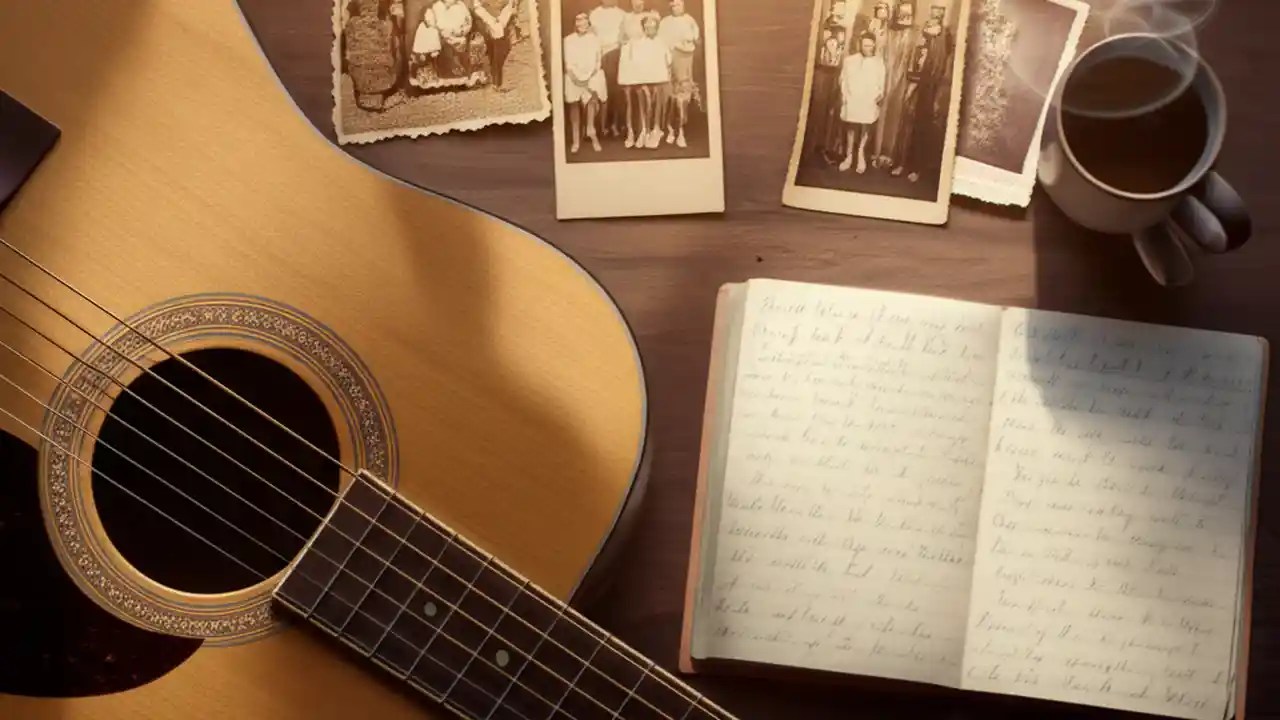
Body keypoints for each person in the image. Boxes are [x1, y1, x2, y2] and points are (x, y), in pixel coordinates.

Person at [891, 4, 952, 182]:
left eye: (941, 10)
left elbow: (942, 65)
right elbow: (912, 57)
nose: (937, 12)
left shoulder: (945, 35)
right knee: (905, 125)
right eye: (934, 9)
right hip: (912, 82)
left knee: (922, 127)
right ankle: (901, 162)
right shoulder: (920, 31)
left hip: (930, 88)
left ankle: (916, 168)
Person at [343, 0, 405, 111]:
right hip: (377, 73)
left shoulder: (352, 23)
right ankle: (383, 92)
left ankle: (371, 93)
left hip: (363, 77)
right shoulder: (383, 24)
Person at [838, 32, 886, 174]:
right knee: (851, 126)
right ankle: (849, 156)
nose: (867, 48)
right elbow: (843, 80)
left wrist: (878, 95)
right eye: (865, 45)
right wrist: (845, 96)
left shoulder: (879, 62)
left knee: (866, 126)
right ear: (860, 44)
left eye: (870, 45)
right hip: (853, 98)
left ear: (874, 45)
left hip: (868, 99)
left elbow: (881, 83)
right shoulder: (850, 60)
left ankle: (860, 155)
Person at [617, 0, 660, 148]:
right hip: (628, 59)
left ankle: (645, 131)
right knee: (629, 98)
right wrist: (629, 45)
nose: (638, 3)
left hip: (644, 60)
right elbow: (621, 38)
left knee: (645, 97)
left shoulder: (651, 16)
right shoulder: (626, 17)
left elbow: (655, 39)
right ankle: (630, 132)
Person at [658, 0, 700, 148]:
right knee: (670, 97)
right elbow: (661, 44)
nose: (676, 7)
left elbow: (694, 39)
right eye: (673, 5)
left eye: (679, 4)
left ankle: (680, 131)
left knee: (682, 98)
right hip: (669, 64)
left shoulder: (689, 20)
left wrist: (683, 45)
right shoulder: (664, 22)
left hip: (684, 63)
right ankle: (670, 129)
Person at [564, 12, 608, 153]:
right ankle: (576, 139)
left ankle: (591, 130)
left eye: (584, 20)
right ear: (574, 23)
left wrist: (588, 78)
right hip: (574, 77)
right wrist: (576, 79)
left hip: (590, 76)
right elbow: (568, 64)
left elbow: (597, 63)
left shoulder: (595, 39)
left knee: (594, 91)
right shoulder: (568, 40)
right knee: (574, 105)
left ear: (588, 23)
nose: (581, 23)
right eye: (578, 20)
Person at [589, 0, 628, 137]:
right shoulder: (595, 14)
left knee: (615, 91)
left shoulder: (622, 14)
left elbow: (625, 36)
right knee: (599, 91)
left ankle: (615, 124)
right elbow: (591, 35)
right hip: (599, 55)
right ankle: (600, 125)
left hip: (616, 54)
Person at [808, 27, 845, 162]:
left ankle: (824, 148)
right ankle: (811, 149)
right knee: (818, 112)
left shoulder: (841, 52)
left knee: (831, 114)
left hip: (834, 79)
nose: (834, 44)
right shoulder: (822, 50)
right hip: (822, 78)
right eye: (831, 42)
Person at [474, 0, 516, 89]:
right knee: (494, 34)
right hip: (484, 11)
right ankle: (495, 77)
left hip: (503, 10)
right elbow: (477, 6)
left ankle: (497, 78)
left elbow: (509, 5)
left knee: (499, 36)